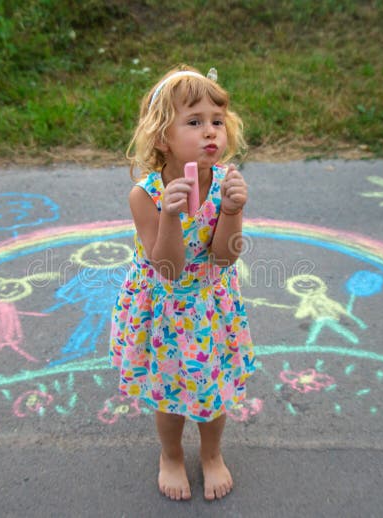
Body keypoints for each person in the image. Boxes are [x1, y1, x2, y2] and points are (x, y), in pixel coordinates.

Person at [109, 65, 255, 501]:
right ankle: (170, 454)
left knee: (212, 393)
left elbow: (225, 257)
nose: (211, 131)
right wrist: (171, 215)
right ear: (161, 137)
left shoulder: (225, 180)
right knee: (170, 396)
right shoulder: (146, 194)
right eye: (194, 122)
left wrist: (231, 209)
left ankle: (211, 454)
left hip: (211, 305)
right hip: (165, 310)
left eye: (217, 121)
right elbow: (168, 269)